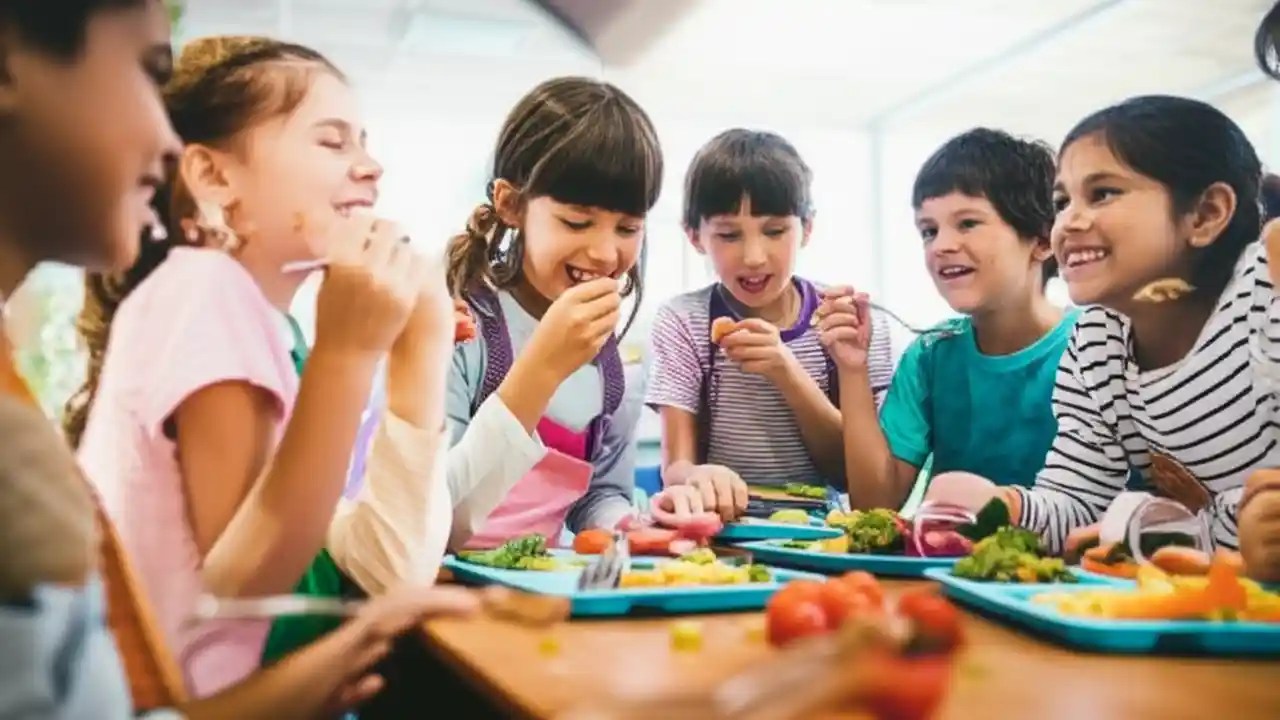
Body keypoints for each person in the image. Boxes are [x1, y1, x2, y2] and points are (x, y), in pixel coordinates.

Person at [0, 2, 476, 717]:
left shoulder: (269, 327)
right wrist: (349, 354)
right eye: (331, 141)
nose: (372, 166)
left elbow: (381, 566)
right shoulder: (205, 287)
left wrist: (414, 345)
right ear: (215, 179)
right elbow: (244, 576)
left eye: (364, 141)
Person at [926, 95, 1274, 558]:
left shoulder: (1262, 300)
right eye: (1062, 200)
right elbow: (1079, 500)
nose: (1069, 221)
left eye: (1103, 193)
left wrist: (1208, 536)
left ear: (1205, 214)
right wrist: (1008, 507)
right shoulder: (1097, 342)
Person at [438, 76, 712, 550]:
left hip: (543, 597)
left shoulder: (612, 367)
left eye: (628, 227)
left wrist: (627, 525)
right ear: (510, 205)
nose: (606, 253)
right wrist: (542, 366)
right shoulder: (458, 327)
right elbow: (426, 507)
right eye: (576, 222)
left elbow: (598, 494)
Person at [818, 129, 1077, 510]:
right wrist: (852, 369)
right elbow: (875, 506)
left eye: (968, 223)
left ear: (1042, 240)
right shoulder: (930, 354)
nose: (941, 245)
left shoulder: (1094, 345)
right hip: (951, 566)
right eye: (929, 231)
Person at [646, 129, 894, 517]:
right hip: (719, 530)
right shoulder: (683, 321)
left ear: (807, 229)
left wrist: (787, 372)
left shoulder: (846, 323)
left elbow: (855, 476)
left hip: (819, 535)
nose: (755, 256)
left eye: (775, 231)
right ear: (694, 236)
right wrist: (697, 477)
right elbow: (676, 466)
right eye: (729, 235)